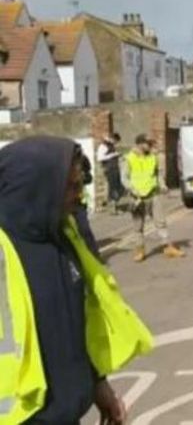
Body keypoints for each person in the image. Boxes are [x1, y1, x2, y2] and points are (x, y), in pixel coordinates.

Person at [0, 137, 153, 424]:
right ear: (36, 190)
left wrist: (98, 384)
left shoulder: (65, 237)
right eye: (71, 187)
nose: (80, 195)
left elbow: (75, 325)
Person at [123, 134, 185, 262]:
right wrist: (132, 189)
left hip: (153, 193)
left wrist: (162, 185)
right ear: (140, 144)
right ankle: (140, 251)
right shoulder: (129, 158)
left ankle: (168, 247)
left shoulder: (153, 157)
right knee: (138, 226)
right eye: (147, 143)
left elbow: (157, 175)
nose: (150, 146)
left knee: (160, 222)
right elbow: (124, 178)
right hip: (137, 197)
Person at [97, 133, 124, 214]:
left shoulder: (110, 145)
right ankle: (112, 209)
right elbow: (100, 158)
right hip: (109, 169)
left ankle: (113, 206)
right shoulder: (104, 145)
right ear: (113, 139)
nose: (116, 143)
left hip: (115, 168)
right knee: (113, 189)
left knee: (119, 188)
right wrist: (113, 155)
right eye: (116, 141)